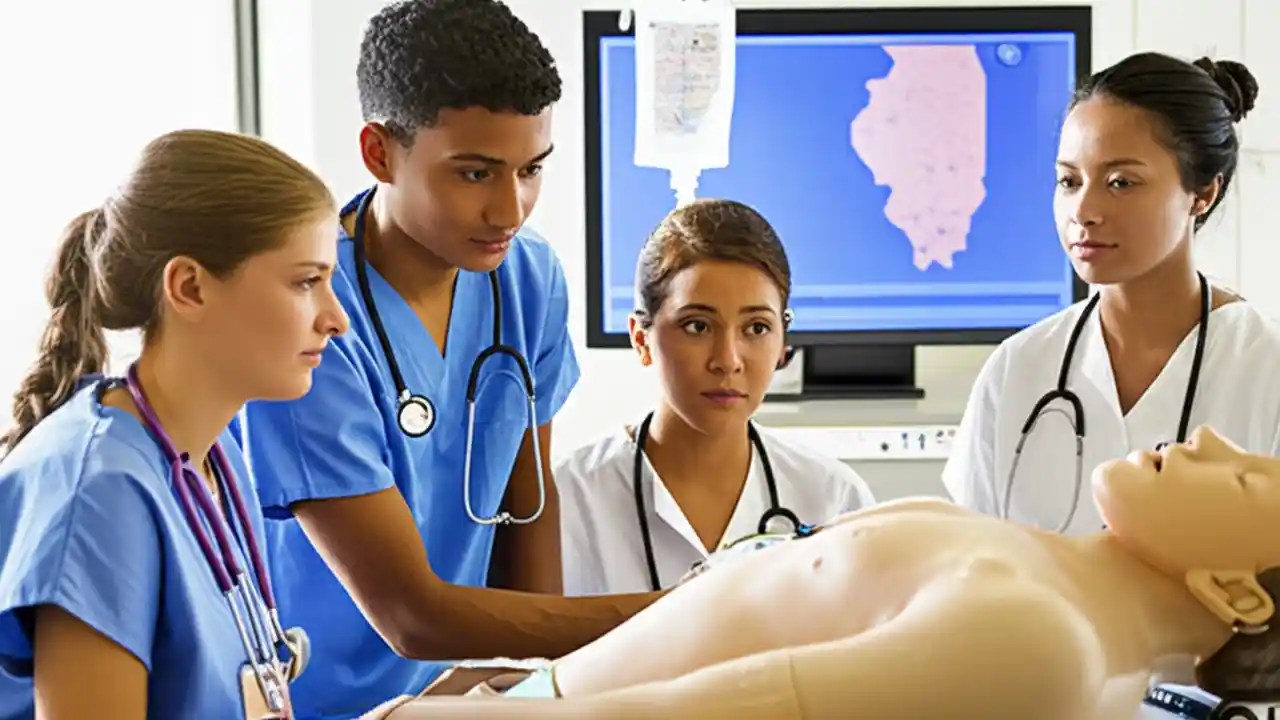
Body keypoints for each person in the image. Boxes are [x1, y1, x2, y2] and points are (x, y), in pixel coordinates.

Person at [232, 1, 655, 717]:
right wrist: (678, 610)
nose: (511, 209)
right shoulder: (308, 310)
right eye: (474, 174)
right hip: (313, 703)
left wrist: (538, 695)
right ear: (378, 153)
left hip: (457, 697)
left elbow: (527, 508)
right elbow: (409, 617)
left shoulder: (530, 279)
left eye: (531, 170)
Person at [359, 423, 1280, 719]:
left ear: (1233, 593)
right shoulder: (1022, 566)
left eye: (1244, 475)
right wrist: (524, 685)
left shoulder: (1042, 638)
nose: (1208, 439)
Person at [0, 129, 350, 718]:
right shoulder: (100, 492)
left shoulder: (215, 458)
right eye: (306, 282)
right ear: (189, 287)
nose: (336, 319)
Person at [943, 52, 1280, 535]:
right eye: (1069, 181)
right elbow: (972, 561)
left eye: (1121, 182)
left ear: (1201, 193)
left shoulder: (1266, 365)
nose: (1083, 210)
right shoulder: (1018, 367)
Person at [554, 199, 875, 595]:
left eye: (756, 328)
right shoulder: (569, 497)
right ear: (641, 339)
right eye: (697, 326)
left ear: (782, 344)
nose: (727, 360)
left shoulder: (833, 496)